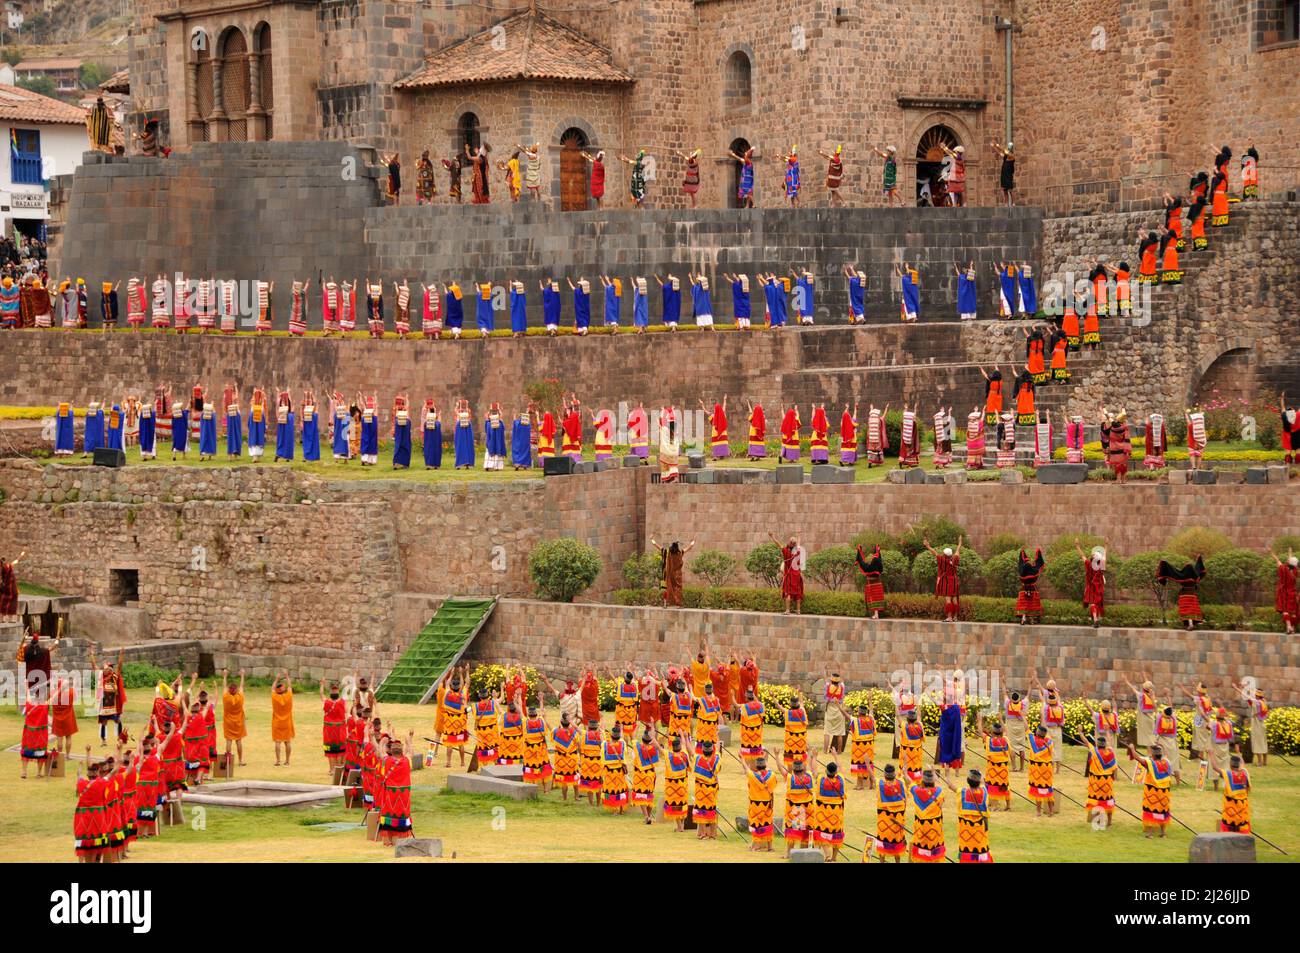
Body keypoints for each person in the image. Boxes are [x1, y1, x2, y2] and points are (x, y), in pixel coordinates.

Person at [1127, 742, 1179, 838]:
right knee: (1162, 810)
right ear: (1161, 755)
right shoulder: (1166, 763)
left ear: (1153, 755)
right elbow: (1166, 755)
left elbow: (1137, 758)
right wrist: (1162, 746)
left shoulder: (1150, 764)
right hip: (1164, 794)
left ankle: (1150, 834)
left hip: (1152, 793)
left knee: (1150, 811)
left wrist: (1132, 748)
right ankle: (1163, 833)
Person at [378, 727, 417, 845]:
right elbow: (411, 753)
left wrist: (381, 743)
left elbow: (380, 753)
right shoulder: (406, 762)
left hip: (389, 793)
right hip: (403, 795)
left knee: (387, 814)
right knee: (401, 815)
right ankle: (398, 840)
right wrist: (409, 741)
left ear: (391, 751)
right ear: (401, 752)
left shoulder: (387, 761)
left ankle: (387, 840)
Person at [773, 752, 814, 856]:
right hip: (807, 810)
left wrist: (777, 756)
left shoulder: (789, 778)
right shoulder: (809, 777)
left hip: (794, 810)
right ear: (803, 769)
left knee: (792, 831)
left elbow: (780, 768)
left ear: (794, 769)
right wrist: (811, 754)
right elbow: (809, 764)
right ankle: (802, 853)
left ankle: (788, 853)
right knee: (805, 830)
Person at [1158, 555, 1207, 629]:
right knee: (1192, 610)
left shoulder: (1182, 578)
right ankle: (1192, 624)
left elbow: (1173, 571)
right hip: (1193, 596)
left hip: (1184, 596)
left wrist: (1164, 564)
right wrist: (1199, 560)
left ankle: (1190, 625)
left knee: (1187, 610)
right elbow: (1198, 569)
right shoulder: (1195, 578)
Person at [909, 768, 947, 862]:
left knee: (920, 852)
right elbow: (938, 785)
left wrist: (905, 772)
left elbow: (910, 781)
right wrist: (934, 773)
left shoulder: (916, 791)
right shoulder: (940, 792)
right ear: (933, 782)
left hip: (921, 828)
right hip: (935, 827)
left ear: (923, 782)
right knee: (935, 852)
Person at [923, 536, 963, 622]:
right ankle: (955, 617)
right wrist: (959, 542)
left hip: (947, 581)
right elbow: (958, 550)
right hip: (955, 581)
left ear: (944, 554)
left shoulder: (942, 559)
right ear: (951, 554)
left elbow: (934, 553)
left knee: (948, 600)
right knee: (955, 599)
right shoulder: (955, 559)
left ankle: (949, 617)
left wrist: (928, 546)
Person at [769, 532, 805, 614]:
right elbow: (799, 544)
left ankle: (788, 610)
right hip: (797, 575)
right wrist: (799, 535)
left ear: (789, 543)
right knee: (798, 592)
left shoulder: (785, 551)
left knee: (788, 592)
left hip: (789, 575)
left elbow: (778, 544)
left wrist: (772, 537)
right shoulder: (798, 551)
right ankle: (798, 611)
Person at [1075, 541, 1107, 626]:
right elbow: (1104, 557)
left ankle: (1096, 620)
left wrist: (1077, 546)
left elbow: (1082, 556)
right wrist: (1106, 545)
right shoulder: (1101, 565)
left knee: (1093, 603)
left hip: (1091, 587)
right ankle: (1097, 620)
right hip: (1099, 587)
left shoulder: (1089, 564)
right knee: (1098, 603)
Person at [855, 543, 886, 620]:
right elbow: (879, 569)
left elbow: (863, 565)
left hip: (873, 585)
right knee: (876, 599)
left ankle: (876, 615)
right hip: (877, 583)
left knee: (874, 599)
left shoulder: (873, 563)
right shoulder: (878, 562)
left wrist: (859, 552)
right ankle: (876, 615)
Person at [1016, 548, 1045, 625]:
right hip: (1032, 589)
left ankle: (1024, 618)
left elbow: (1021, 565)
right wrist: (1038, 553)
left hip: (1024, 589)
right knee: (1032, 605)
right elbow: (1039, 564)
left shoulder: (1022, 572)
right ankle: (1032, 620)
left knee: (1024, 605)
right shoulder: (1034, 571)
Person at [991, 139, 1015, 205]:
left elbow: (1004, 151)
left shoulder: (1012, 156)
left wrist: (997, 145)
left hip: (1009, 175)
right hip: (1004, 174)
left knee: (1010, 190)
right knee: (1004, 190)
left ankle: (1013, 203)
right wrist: (994, 147)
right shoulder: (1005, 156)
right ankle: (1006, 203)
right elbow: (1000, 153)